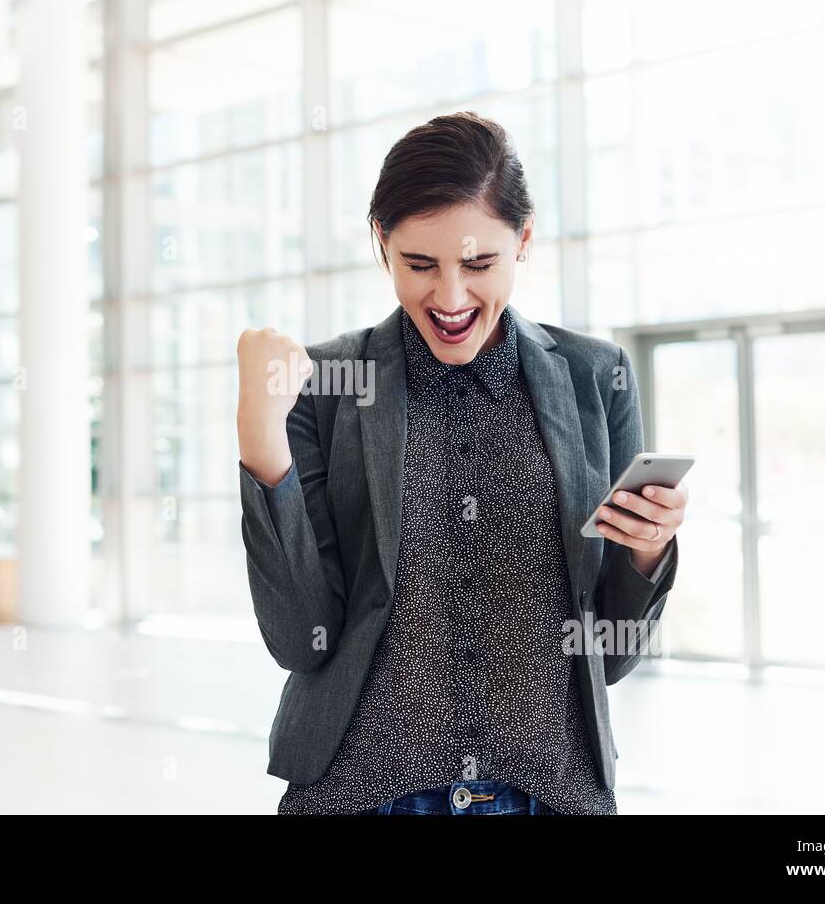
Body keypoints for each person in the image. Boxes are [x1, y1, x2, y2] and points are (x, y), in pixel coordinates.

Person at [235, 111, 687, 815]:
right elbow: (301, 636)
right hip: (361, 794)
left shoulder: (596, 378)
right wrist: (261, 447)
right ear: (381, 245)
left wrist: (647, 551)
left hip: (552, 794)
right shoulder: (321, 385)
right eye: (420, 264)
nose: (449, 298)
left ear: (524, 241)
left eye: (478, 264)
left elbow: (613, 655)